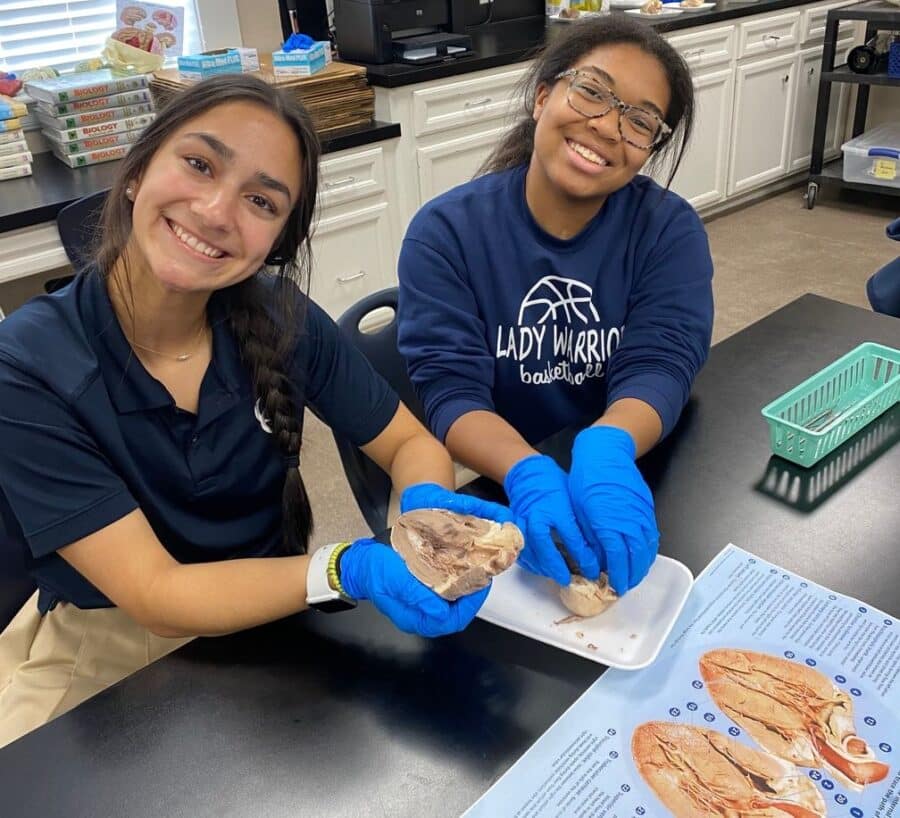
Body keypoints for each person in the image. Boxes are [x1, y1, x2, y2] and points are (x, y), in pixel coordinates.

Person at [0, 75, 511, 747]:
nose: (216, 211)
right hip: (110, 636)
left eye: (261, 201)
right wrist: (345, 568)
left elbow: (409, 443)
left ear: (276, 242)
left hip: (274, 607)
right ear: (135, 172)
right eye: (199, 163)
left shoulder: (283, 316)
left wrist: (422, 518)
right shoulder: (29, 363)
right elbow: (155, 595)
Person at [397, 17, 714, 598]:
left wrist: (608, 443)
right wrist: (527, 470)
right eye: (591, 91)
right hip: (507, 487)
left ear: (652, 146)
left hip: (632, 474)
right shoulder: (446, 234)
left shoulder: (668, 230)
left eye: (640, 121)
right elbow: (451, 391)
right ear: (544, 95)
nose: (607, 127)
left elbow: (664, 360)